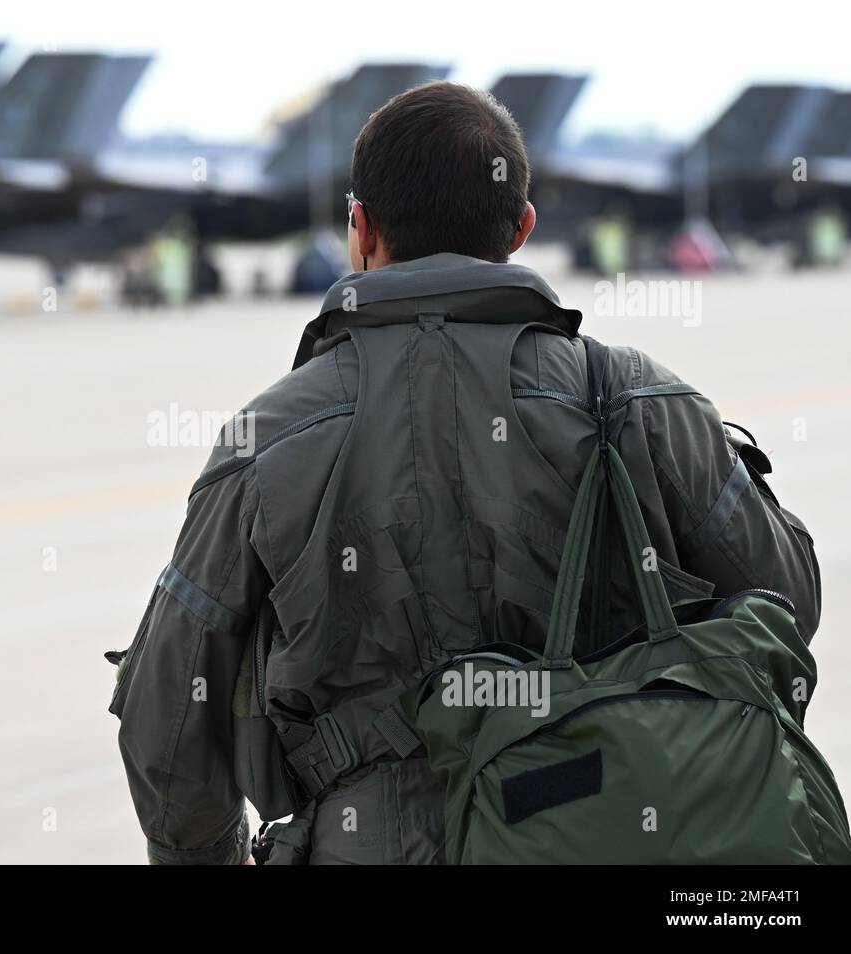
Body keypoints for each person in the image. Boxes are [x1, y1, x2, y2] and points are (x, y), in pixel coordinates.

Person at [107, 81, 821, 865]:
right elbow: (785, 599)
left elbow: (169, 714)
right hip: (613, 830)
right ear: (521, 229)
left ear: (361, 229)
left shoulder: (265, 439)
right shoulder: (639, 401)